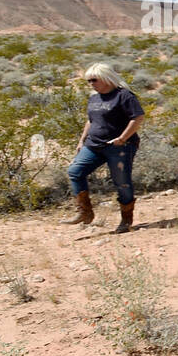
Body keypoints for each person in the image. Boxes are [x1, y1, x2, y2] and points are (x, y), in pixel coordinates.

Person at [61, 62, 145, 233]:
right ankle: (85, 212)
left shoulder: (124, 96)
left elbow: (137, 117)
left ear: (106, 78)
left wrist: (122, 138)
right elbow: (91, 120)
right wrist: (81, 140)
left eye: (94, 80)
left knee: (122, 182)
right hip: (93, 145)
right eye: (88, 81)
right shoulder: (94, 98)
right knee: (75, 171)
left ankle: (126, 220)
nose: (91, 84)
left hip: (119, 147)